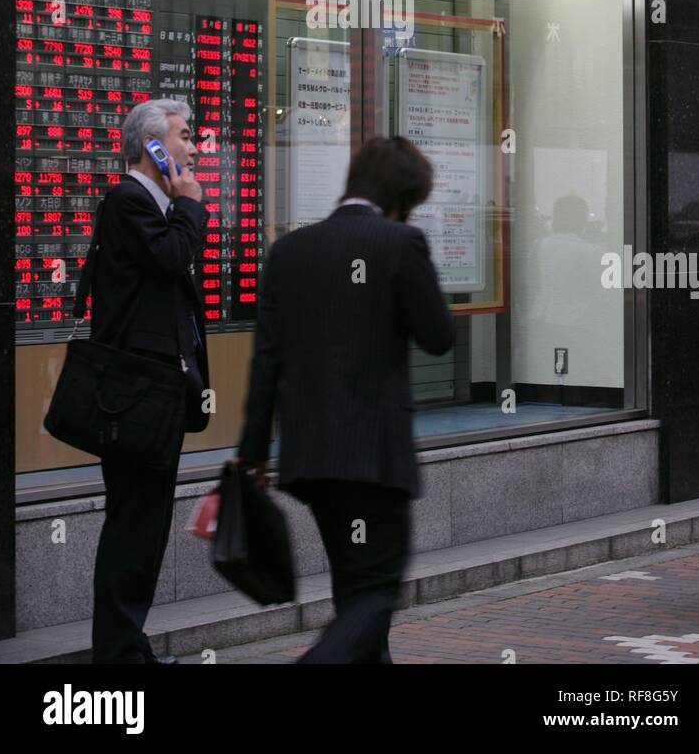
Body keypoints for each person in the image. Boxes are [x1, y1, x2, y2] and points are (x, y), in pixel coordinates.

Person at [238, 135, 455, 664]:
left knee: (354, 588)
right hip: (373, 459)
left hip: (310, 458)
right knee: (377, 590)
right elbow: (438, 337)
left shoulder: (290, 250)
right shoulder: (400, 243)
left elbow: (267, 360)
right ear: (404, 198)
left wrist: (252, 452)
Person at [90, 98, 208, 664]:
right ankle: (118, 657)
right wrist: (189, 206)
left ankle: (128, 647)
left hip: (155, 396)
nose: (193, 147)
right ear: (152, 147)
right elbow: (170, 258)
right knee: (133, 526)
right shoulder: (128, 201)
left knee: (147, 526)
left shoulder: (152, 205)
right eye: (184, 136)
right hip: (136, 397)